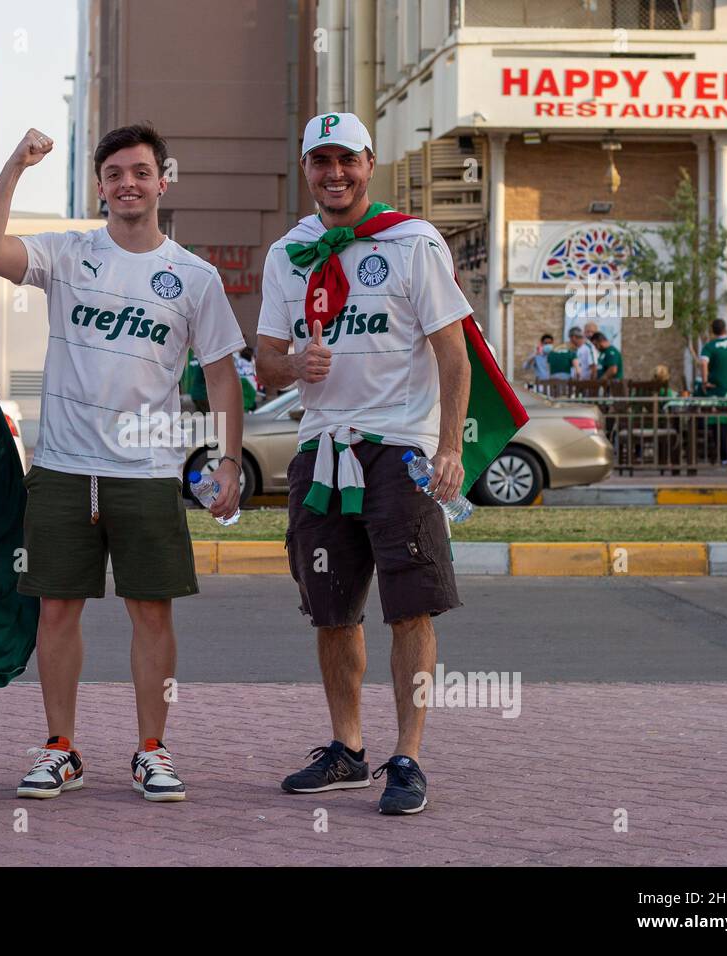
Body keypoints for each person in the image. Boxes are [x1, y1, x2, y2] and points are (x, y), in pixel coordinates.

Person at [0, 123, 245, 802]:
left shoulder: (194, 277)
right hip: (63, 466)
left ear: (161, 181)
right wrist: (15, 165)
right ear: (100, 186)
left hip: (148, 471)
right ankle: (60, 747)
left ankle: (153, 750)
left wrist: (228, 459)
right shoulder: (67, 254)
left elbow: (220, 376)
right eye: (115, 173)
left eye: (141, 172)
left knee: (152, 613)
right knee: (58, 611)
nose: (128, 183)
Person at [255, 112, 472, 815]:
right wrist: (295, 364)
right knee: (332, 611)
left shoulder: (413, 242)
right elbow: (263, 367)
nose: (334, 173)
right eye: (320, 161)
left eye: (345, 159)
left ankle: (406, 756)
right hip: (322, 449)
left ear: (369, 163)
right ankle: (347, 750)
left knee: (410, 607)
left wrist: (448, 447)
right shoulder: (290, 251)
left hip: (399, 448)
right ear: (307, 169)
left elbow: (452, 352)